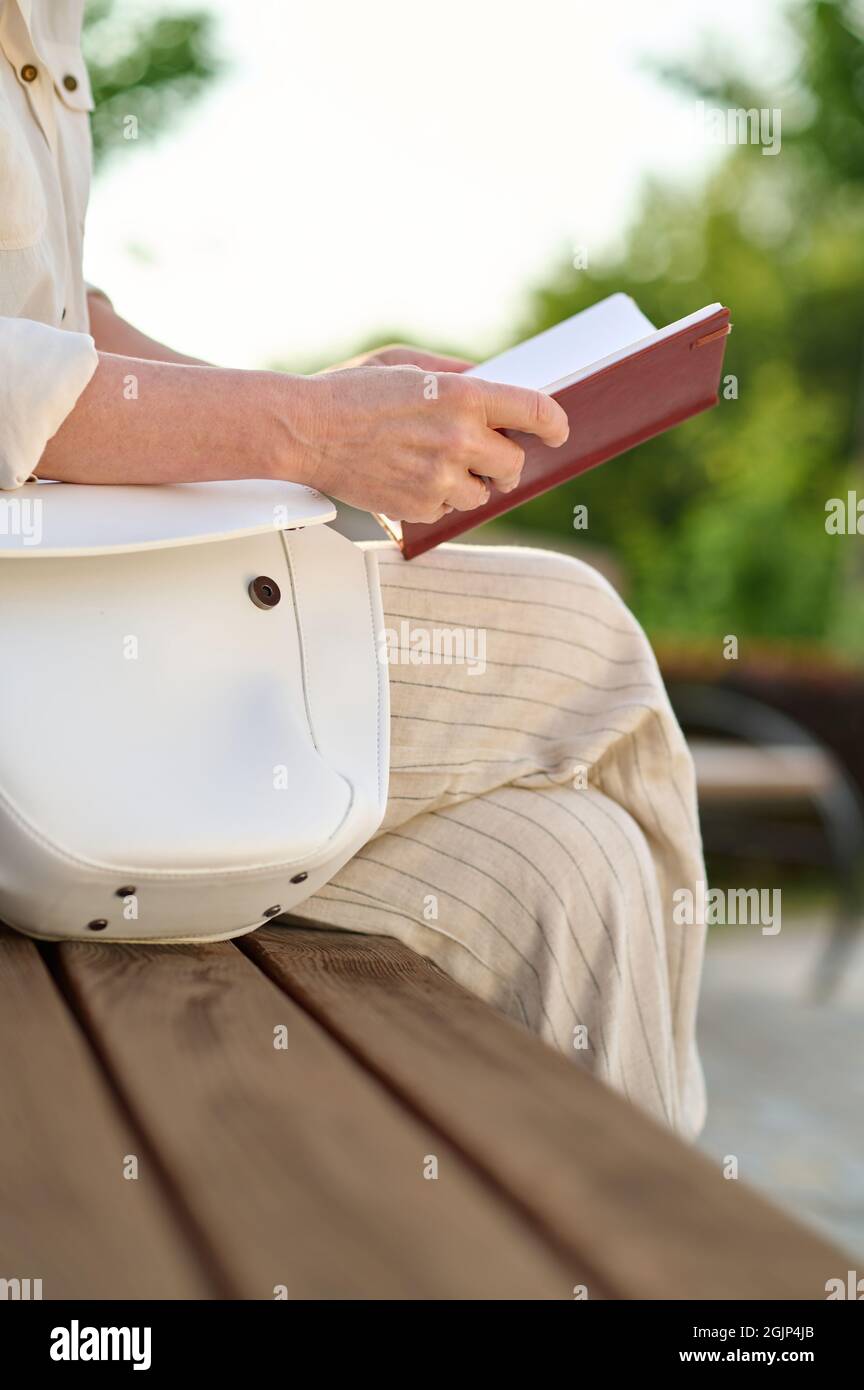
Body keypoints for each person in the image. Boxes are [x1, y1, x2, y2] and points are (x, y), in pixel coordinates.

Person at [0, 0, 707, 1136]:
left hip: (86, 638)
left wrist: (330, 404)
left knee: (571, 867)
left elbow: (62, 321)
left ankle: (593, 1253)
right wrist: (310, 431)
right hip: (41, 655)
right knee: (584, 634)